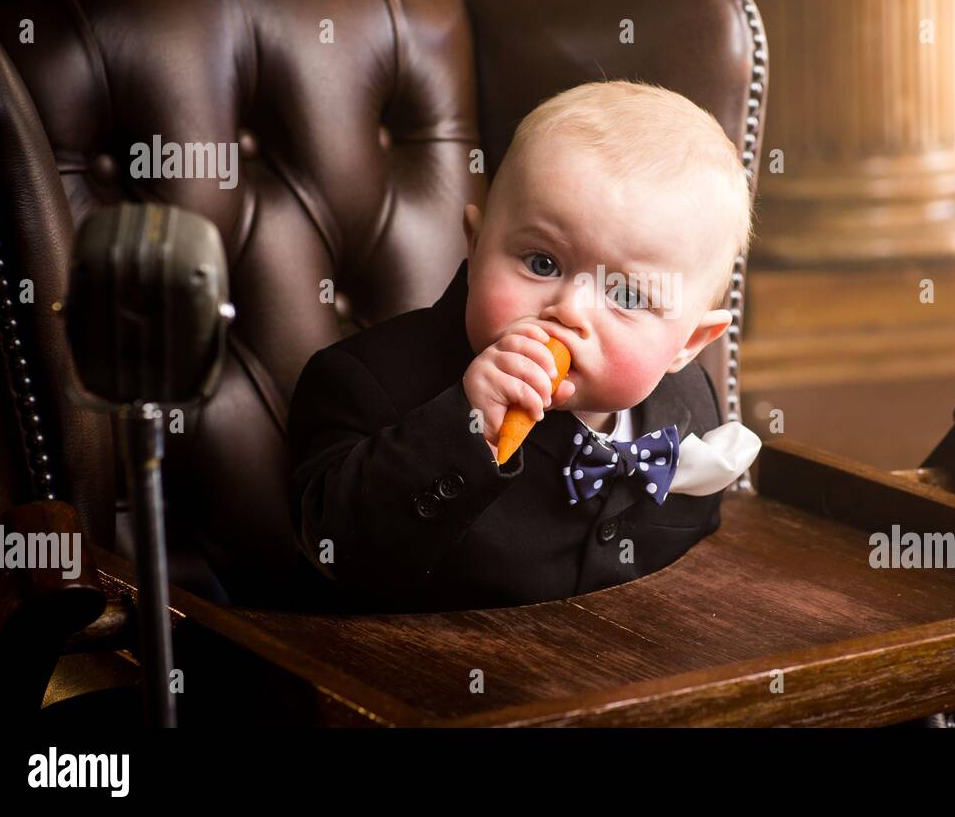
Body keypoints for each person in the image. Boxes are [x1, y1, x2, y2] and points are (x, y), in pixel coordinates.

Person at [287, 80, 759, 611]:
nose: (571, 309)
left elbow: (696, 564)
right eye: (542, 263)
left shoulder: (688, 400)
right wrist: (465, 431)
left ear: (688, 343)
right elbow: (333, 556)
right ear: (477, 243)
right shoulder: (362, 380)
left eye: (626, 294)